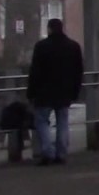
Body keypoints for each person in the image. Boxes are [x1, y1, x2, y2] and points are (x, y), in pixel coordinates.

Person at [26, 18, 84, 165]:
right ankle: (61, 153)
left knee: (41, 121)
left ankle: (48, 152)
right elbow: (78, 71)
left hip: (44, 91)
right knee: (62, 122)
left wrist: (31, 92)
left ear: (49, 29)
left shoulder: (41, 46)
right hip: (65, 91)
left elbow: (35, 72)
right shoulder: (73, 46)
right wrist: (76, 91)